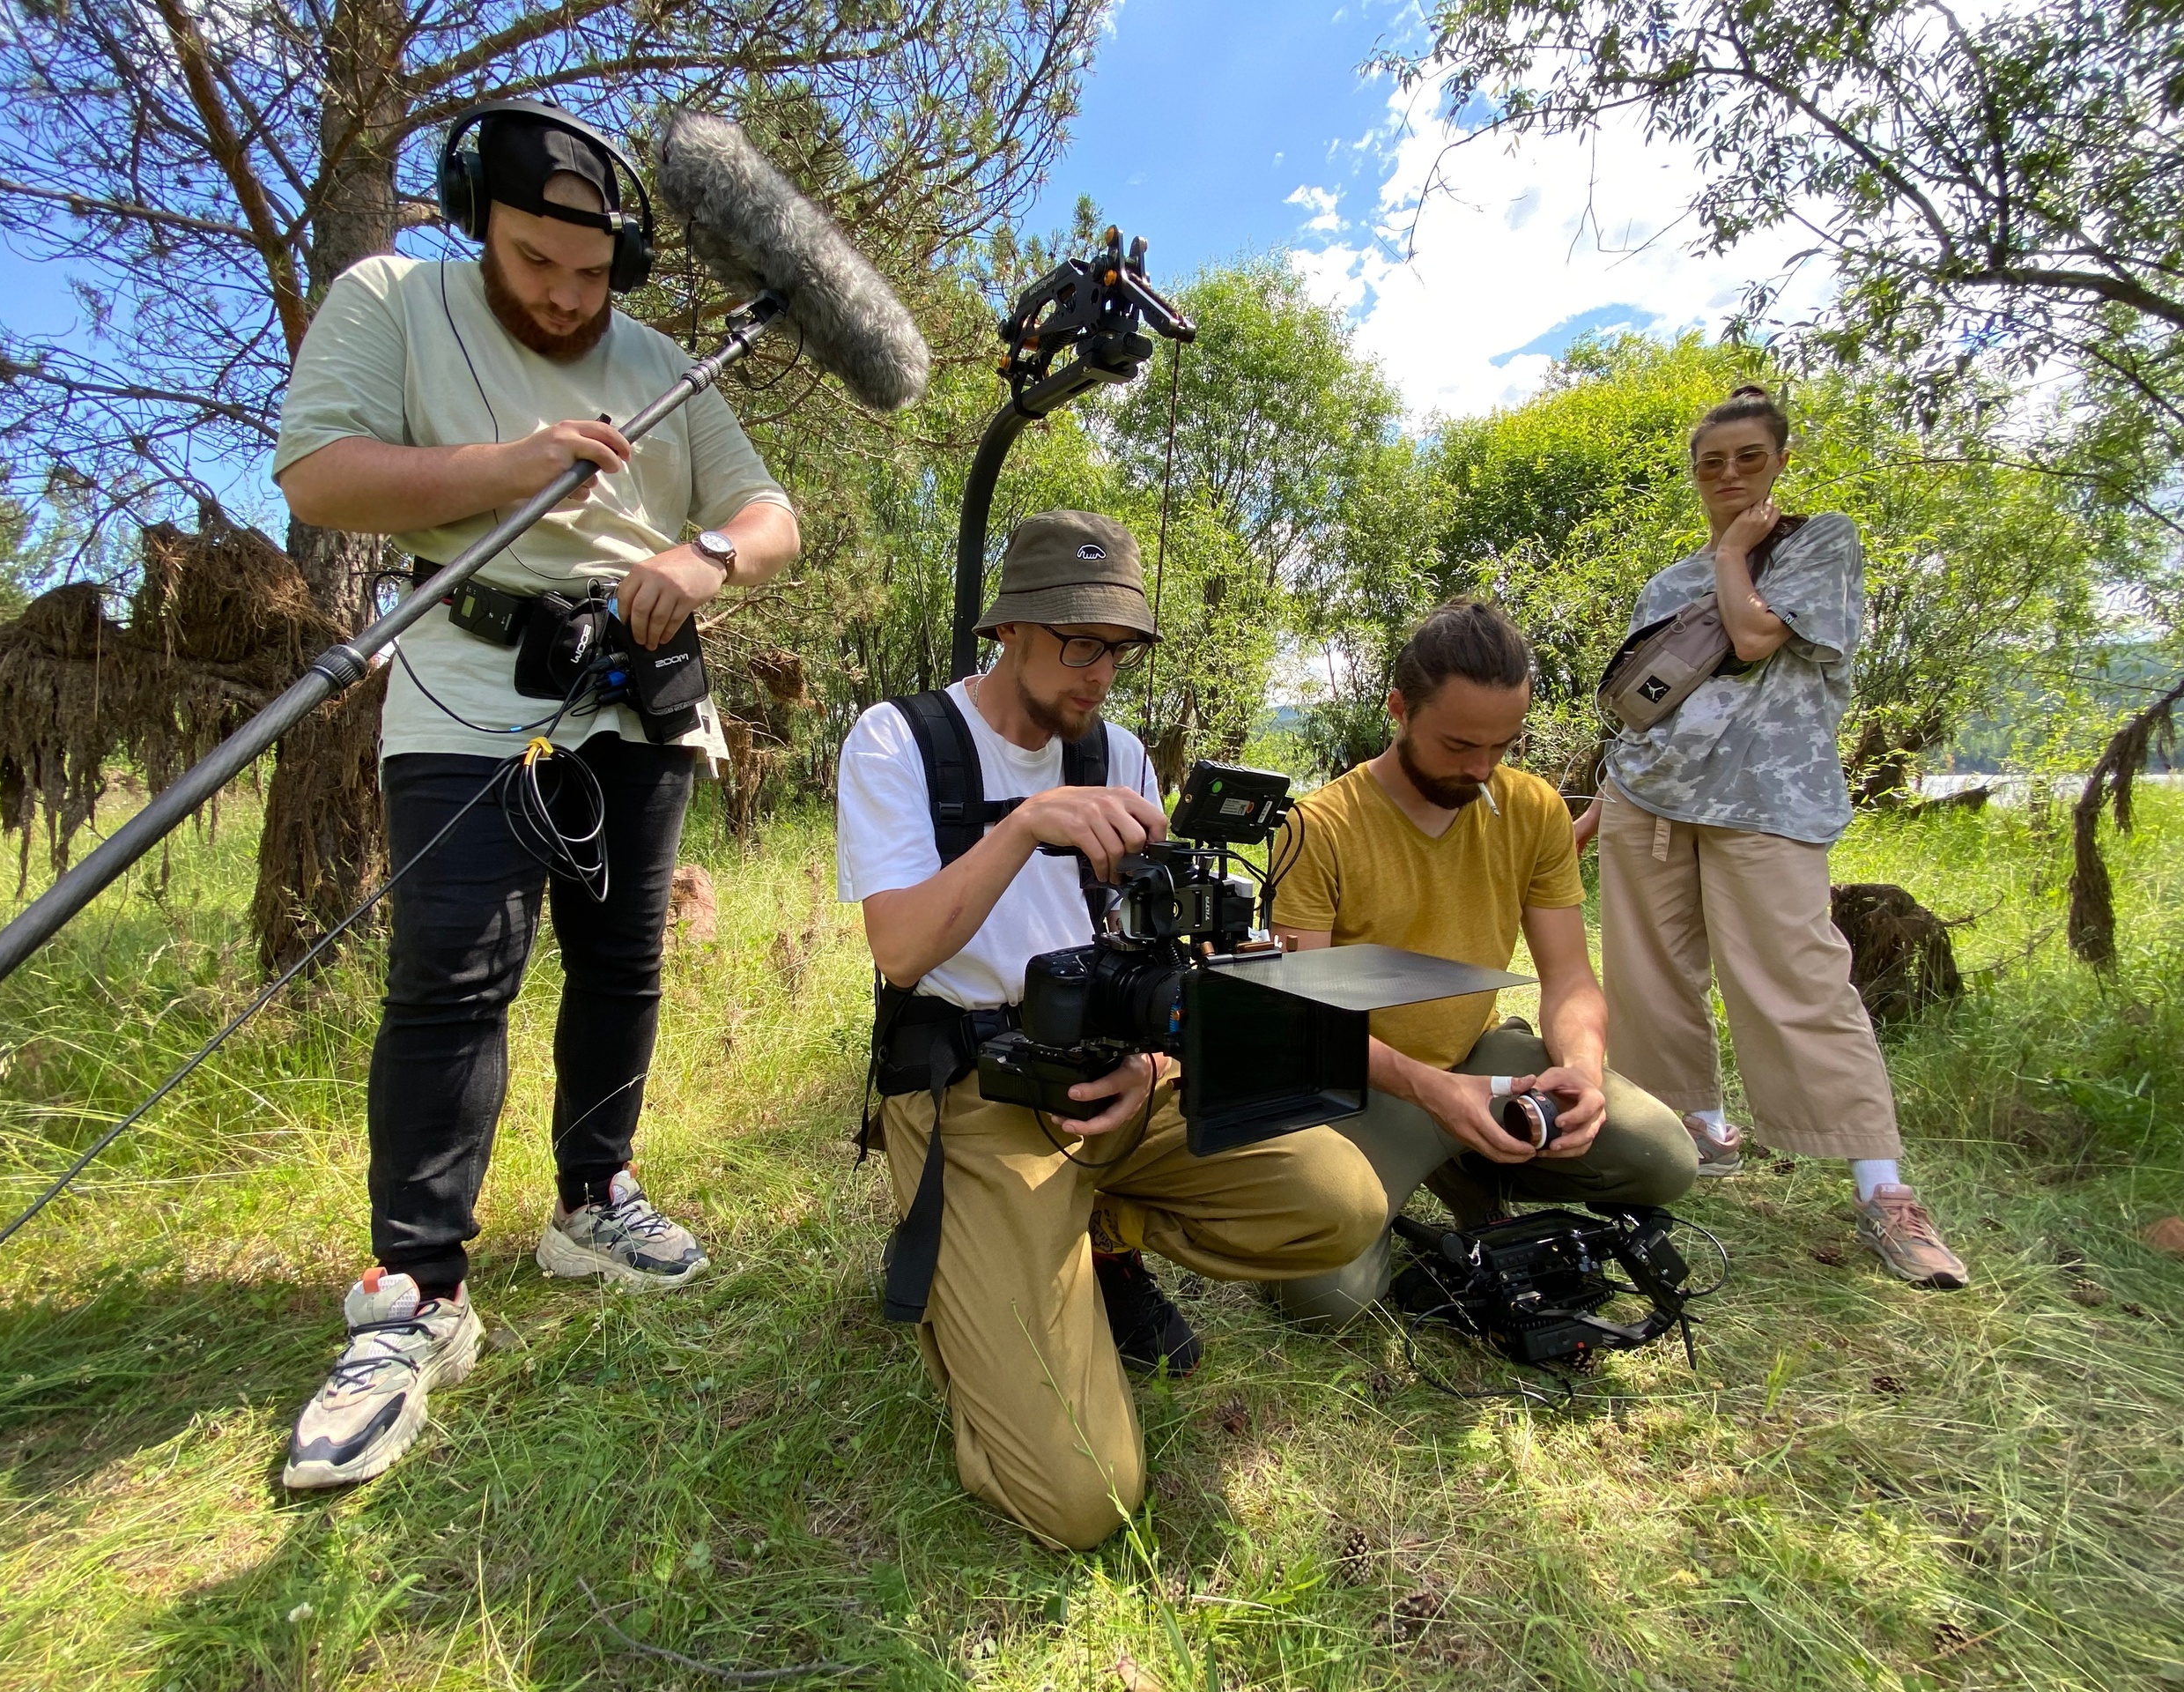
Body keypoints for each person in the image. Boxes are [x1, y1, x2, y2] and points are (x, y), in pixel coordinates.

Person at [270, 101, 802, 1488]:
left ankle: (593, 1200)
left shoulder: (668, 364)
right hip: (465, 694)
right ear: (479, 225)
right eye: (534, 262)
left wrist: (705, 562)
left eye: (589, 272)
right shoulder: (393, 300)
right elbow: (322, 475)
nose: (564, 295)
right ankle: (416, 1297)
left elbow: (771, 514)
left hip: (641, 699)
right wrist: (507, 468)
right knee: (453, 977)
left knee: (621, 966)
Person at [836, 510, 1385, 1550]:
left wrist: (1151, 1059)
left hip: (1121, 1078)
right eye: (1078, 643)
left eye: (1117, 650)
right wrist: (1027, 826)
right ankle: (999, 1279)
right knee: (1081, 1500)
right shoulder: (902, 739)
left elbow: (1154, 941)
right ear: (1009, 631)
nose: (1099, 673)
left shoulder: (1117, 751)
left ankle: (1095, 1238)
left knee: (1338, 1201)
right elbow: (900, 950)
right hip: (978, 1091)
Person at [1573, 383, 1968, 1288]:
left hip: (1766, 800)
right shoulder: (1668, 581)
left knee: (1797, 980)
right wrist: (1601, 803)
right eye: (1711, 463)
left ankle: (1882, 1190)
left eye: (1748, 457)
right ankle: (1692, 1134)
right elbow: (1644, 711)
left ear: (1780, 459)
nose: (1729, 475)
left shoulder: (1815, 544)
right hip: (1647, 801)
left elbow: (1753, 639)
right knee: (1646, 977)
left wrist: (1737, 552)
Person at [1263, 599, 1699, 1325]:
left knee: (1661, 1158)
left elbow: (1569, 980)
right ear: (1399, 709)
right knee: (1326, 1304)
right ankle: (1428, 1168)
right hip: (1359, 1082)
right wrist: (1431, 1093)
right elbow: (1301, 1020)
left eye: (1503, 747)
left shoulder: (1534, 811)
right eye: (1460, 744)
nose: (1481, 769)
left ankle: (1467, 1163)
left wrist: (1581, 1073)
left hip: (1479, 1056)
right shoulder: (1320, 827)